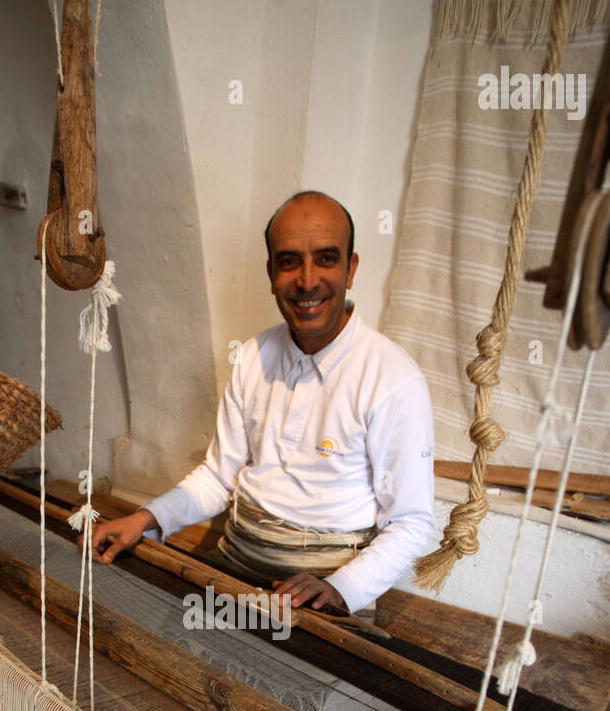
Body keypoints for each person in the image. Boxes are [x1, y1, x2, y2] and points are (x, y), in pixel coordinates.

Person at [90, 190, 436, 615]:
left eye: (326, 259)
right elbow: (220, 477)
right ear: (271, 272)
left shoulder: (394, 379)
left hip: (323, 598)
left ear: (351, 269)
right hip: (234, 570)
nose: (308, 281)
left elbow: (411, 521)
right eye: (290, 262)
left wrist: (340, 587)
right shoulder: (253, 356)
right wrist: (145, 519)